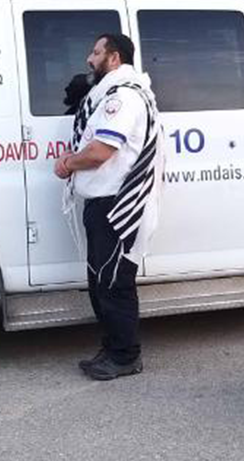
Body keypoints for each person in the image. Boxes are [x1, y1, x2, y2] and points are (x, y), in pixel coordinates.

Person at [54, 34, 163, 381]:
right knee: (101, 282)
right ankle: (112, 347)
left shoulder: (124, 98)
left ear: (114, 58)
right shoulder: (109, 94)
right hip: (103, 203)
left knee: (114, 284)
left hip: (118, 206)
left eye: (96, 52)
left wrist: (68, 163)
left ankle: (125, 356)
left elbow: (101, 151)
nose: (89, 59)